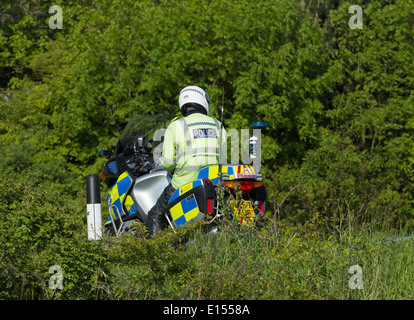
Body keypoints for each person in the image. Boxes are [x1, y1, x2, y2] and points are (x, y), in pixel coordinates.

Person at [146, 85, 226, 238]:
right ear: (203, 101)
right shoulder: (218, 125)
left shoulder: (176, 125)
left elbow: (168, 164)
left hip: (183, 185)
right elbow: (222, 160)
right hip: (213, 184)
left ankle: (156, 257)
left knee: (155, 215)